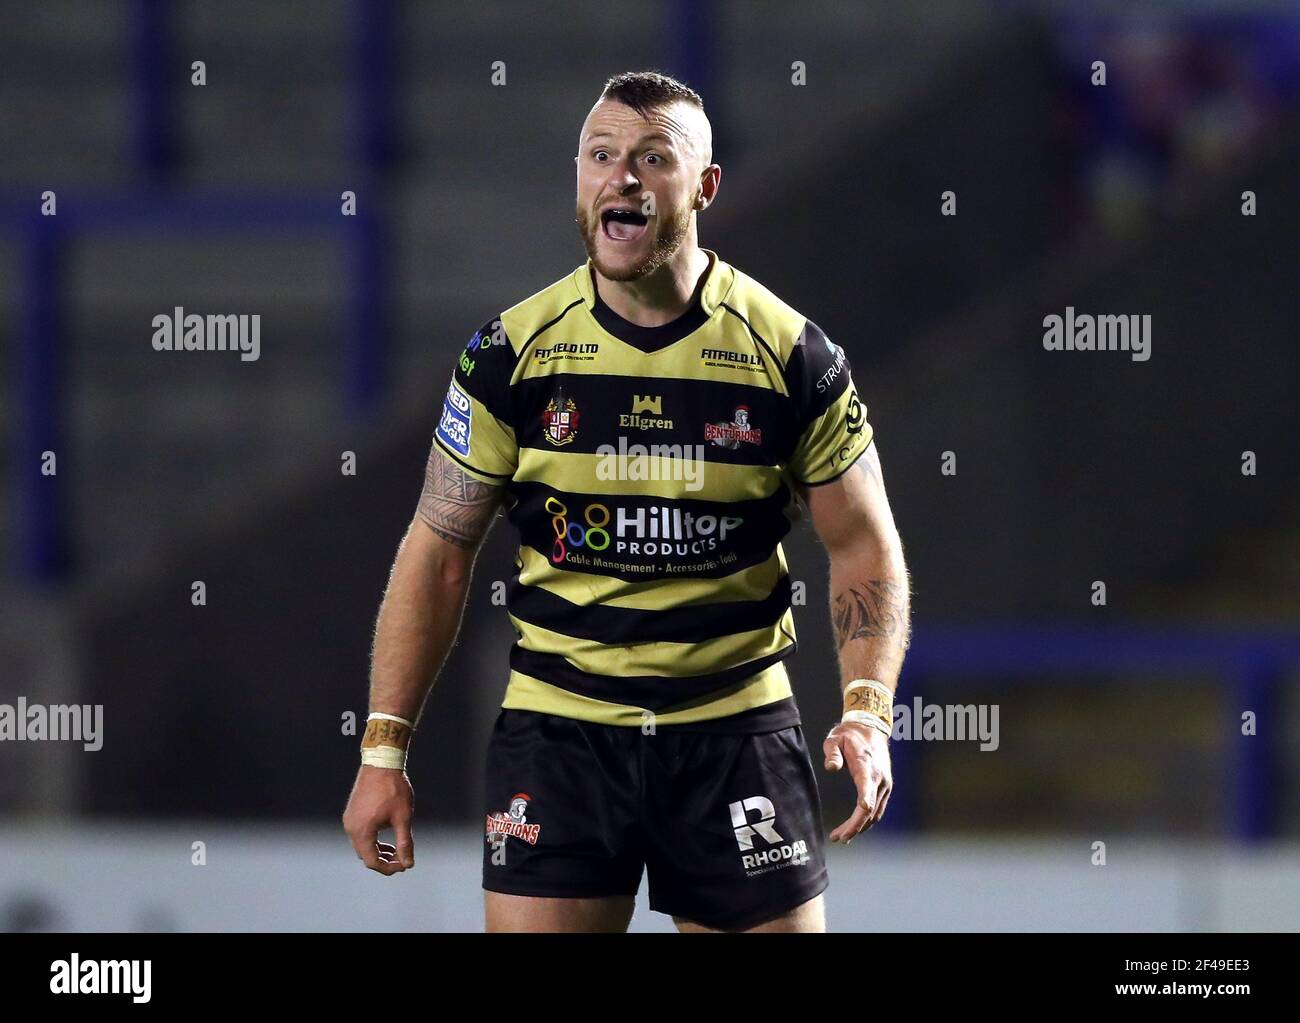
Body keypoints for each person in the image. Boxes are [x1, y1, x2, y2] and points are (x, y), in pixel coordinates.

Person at [343, 70, 910, 933]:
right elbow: (439, 550)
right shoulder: (511, 355)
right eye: (601, 156)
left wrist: (866, 714)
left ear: (706, 187)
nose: (622, 178)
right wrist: (384, 750)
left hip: (734, 733)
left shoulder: (793, 355)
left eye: (654, 158)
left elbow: (866, 547)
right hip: (561, 732)